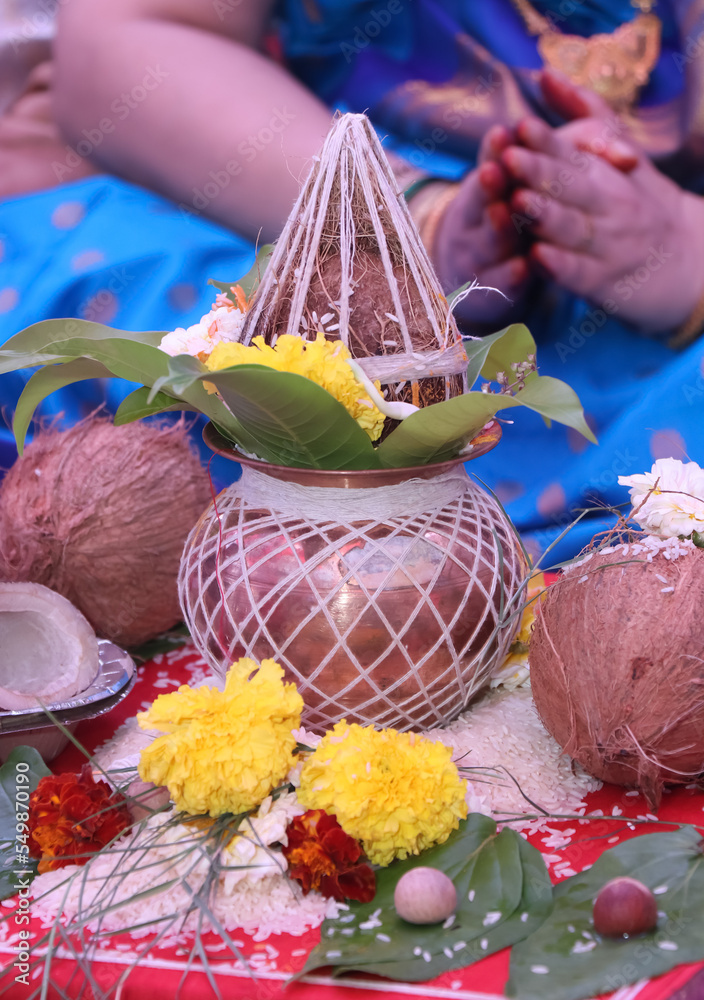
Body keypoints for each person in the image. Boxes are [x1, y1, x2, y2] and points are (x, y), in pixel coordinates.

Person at [1, 0, 703, 559]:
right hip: (286, 196)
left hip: (665, 298)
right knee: (162, 329)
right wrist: (404, 227)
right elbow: (129, 42)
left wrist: (679, 248)